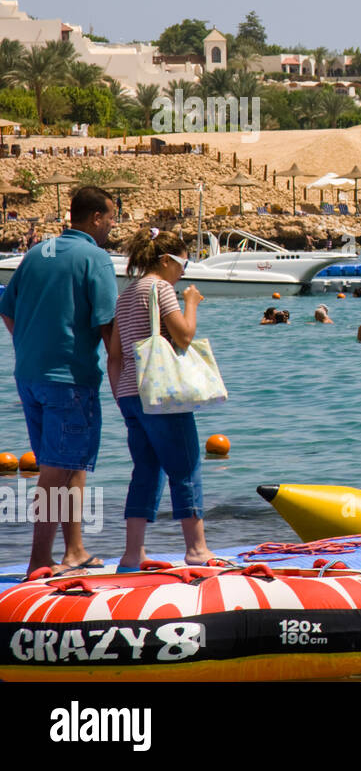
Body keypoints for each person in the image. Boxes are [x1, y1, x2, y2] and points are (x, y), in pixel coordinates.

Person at [0, 186, 118, 576]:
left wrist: (28, 346)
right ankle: (39, 559)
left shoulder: (34, 254)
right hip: (69, 379)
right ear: (96, 217)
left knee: (72, 463)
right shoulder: (96, 258)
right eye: (112, 218)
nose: (113, 225)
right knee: (55, 469)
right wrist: (124, 373)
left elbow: (7, 309)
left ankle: (75, 550)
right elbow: (108, 326)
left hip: (30, 375)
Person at [105, 228, 220, 570]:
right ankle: (197, 550)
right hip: (160, 395)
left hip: (129, 394)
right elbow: (184, 337)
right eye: (184, 261)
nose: (185, 268)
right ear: (167, 260)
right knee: (185, 468)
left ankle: (132, 554)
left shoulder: (125, 295)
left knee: (145, 471)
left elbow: (114, 355)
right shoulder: (162, 289)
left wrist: (120, 395)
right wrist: (191, 302)